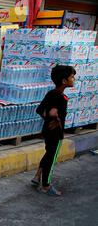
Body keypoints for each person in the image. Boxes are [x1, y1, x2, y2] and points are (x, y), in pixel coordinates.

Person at [32, 65, 75, 196]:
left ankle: (37, 176)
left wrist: (48, 116)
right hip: (56, 134)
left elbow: (39, 110)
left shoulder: (50, 93)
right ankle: (46, 185)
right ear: (64, 81)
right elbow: (54, 115)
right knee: (51, 158)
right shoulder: (62, 98)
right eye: (72, 77)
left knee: (48, 153)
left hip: (46, 131)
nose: (74, 79)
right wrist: (53, 116)